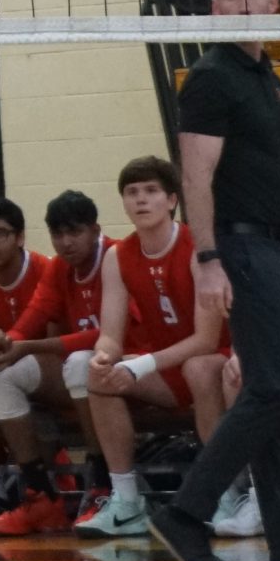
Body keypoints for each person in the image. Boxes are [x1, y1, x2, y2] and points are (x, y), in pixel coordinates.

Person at [149, 0, 280, 561]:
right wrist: (208, 260)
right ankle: (185, 513)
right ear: (214, 6)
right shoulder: (210, 78)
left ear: (274, 2)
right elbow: (195, 176)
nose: (241, 3)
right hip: (238, 249)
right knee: (270, 387)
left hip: (277, 247)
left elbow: (279, 175)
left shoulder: (270, 78)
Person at [73, 155, 229, 538]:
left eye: (151, 191)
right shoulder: (117, 255)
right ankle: (127, 501)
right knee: (90, 371)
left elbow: (206, 340)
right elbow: (110, 332)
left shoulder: (197, 247)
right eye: (131, 192)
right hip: (165, 367)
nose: (140, 200)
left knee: (198, 367)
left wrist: (139, 366)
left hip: (218, 362)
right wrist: (105, 356)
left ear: (172, 200)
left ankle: (223, 493)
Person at [0, 191, 109, 535]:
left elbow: (109, 333)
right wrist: (11, 340)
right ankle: (40, 495)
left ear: (95, 230)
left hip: (132, 367)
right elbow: (36, 313)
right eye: (57, 234)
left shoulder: (116, 257)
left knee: (81, 362)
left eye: (75, 232)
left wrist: (30, 345)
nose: (65, 243)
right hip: (81, 378)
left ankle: (102, 484)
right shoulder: (57, 267)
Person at [0, 198, 69, 527]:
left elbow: (56, 342)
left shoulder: (44, 270)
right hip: (7, 371)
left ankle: (39, 491)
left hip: (56, 369)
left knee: (1, 372)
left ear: (20, 237)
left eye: (0, 233)